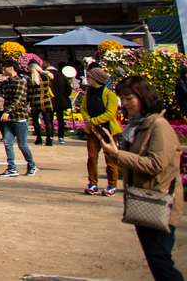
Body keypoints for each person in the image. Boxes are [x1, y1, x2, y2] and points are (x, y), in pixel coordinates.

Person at [99, 75, 186, 281]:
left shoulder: (159, 126)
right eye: (123, 98)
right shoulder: (138, 125)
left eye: (130, 98)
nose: (125, 103)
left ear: (143, 96)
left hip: (159, 201)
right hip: (142, 199)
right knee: (157, 260)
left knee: (161, 260)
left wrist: (118, 154)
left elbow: (156, 164)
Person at [78, 65, 123, 196]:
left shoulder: (110, 95)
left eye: (89, 77)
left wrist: (93, 120)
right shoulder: (88, 93)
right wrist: (87, 119)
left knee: (110, 159)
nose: (87, 80)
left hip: (108, 130)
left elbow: (110, 113)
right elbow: (83, 108)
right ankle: (92, 183)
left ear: (96, 78)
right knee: (92, 157)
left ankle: (112, 184)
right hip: (93, 131)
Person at [0, 57, 37, 177]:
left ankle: (32, 165)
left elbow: (19, 99)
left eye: (5, 67)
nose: (3, 69)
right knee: (7, 143)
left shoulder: (20, 81)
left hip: (19, 118)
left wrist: (7, 111)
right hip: (9, 119)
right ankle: (12, 168)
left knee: (22, 145)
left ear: (11, 68)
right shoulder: (7, 82)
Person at [29, 58, 55, 147]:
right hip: (46, 101)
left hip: (35, 102)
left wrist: (28, 102)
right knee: (48, 122)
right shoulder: (46, 75)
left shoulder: (31, 77)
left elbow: (29, 92)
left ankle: (39, 138)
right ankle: (49, 140)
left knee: (36, 121)